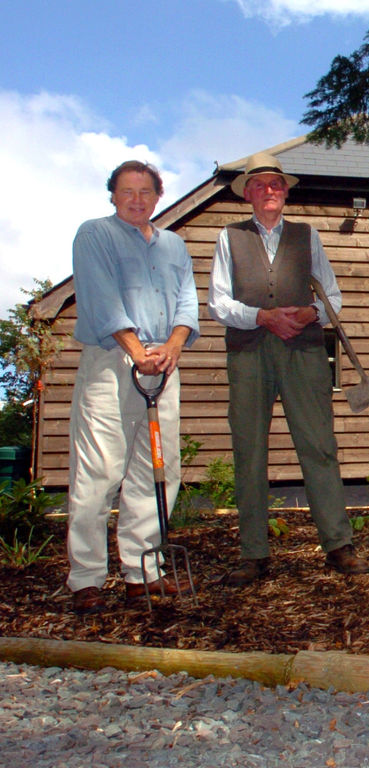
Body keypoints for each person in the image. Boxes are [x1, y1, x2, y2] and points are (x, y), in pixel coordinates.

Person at [208, 152, 369, 586]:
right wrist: (262, 317)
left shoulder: (306, 236)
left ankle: (338, 546)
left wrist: (306, 313)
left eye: (276, 183)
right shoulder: (229, 238)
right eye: (259, 184)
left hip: (304, 352)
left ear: (285, 191)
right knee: (249, 450)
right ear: (247, 193)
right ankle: (253, 555)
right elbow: (218, 302)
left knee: (318, 446)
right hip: (249, 352)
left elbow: (332, 297)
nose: (269, 190)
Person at [66, 160, 200, 614]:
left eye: (145, 191)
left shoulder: (174, 246)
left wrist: (173, 346)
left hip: (164, 363)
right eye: (128, 191)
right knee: (102, 469)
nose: (137, 199)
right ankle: (86, 578)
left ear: (158, 195)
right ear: (113, 195)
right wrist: (135, 350)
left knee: (158, 469)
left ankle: (143, 573)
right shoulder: (95, 235)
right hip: (113, 361)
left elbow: (187, 301)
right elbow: (101, 298)